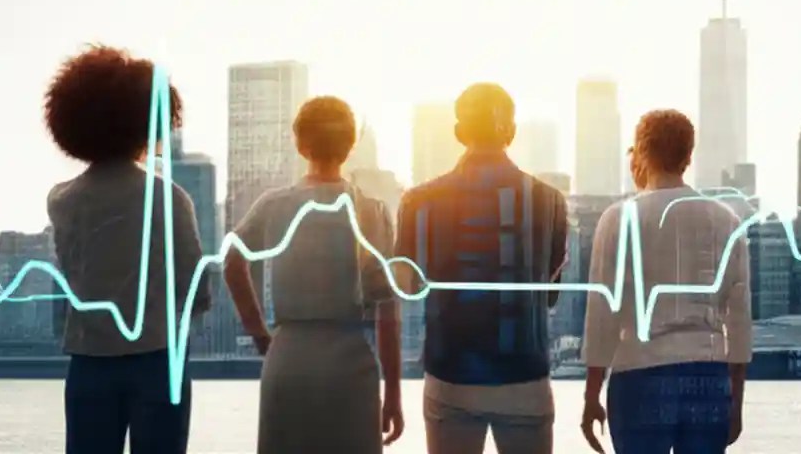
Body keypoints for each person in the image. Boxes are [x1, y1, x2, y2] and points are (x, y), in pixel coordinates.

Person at [44, 44, 209, 454]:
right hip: (157, 357)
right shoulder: (168, 197)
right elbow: (195, 290)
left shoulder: (62, 199)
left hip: (88, 358)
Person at [224, 95, 404, 454]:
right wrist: (394, 395)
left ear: (301, 144)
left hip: (289, 355)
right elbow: (387, 308)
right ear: (350, 146)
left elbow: (231, 262)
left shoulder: (273, 205)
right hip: (350, 361)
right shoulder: (372, 211)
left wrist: (259, 333)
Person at [394, 83, 568, 454]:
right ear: (512, 131)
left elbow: (405, 287)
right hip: (525, 377)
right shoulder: (550, 201)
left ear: (459, 131)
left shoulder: (417, 201)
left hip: (450, 376)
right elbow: (549, 296)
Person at [580, 109, 752, 454]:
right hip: (708, 374)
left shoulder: (618, 219)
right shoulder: (726, 220)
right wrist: (735, 398)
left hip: (639, 374)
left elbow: (602, 316)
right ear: (688, 155)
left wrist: (591, 396)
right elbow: (739, 321)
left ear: (641, 151)